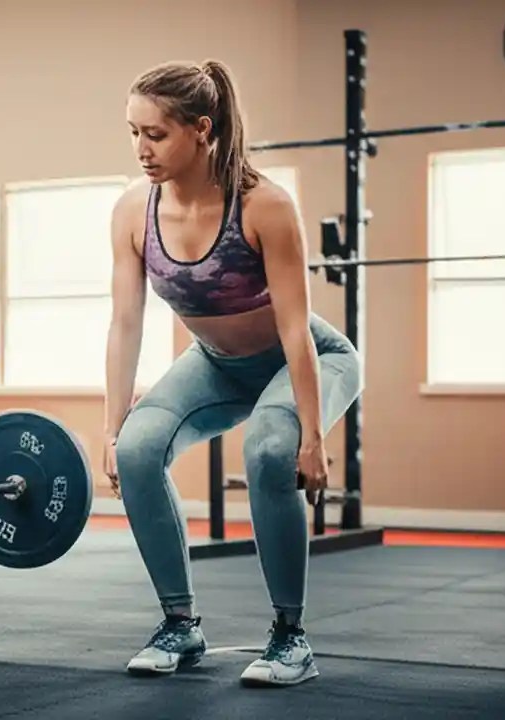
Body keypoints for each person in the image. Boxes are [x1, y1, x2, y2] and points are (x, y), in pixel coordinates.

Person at [103, 59, 363, 687]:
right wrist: (112, 429)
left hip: (310, 358)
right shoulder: (134, 211)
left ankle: (291, 638)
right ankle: (179, 624)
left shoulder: (264, 205)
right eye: (133, 132)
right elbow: (125, 324)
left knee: (269, 450)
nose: (141, 149)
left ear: (201, 129)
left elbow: (295, 330)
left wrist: (312, 437)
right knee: (136, 449)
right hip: (216, 364)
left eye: (155, 134)